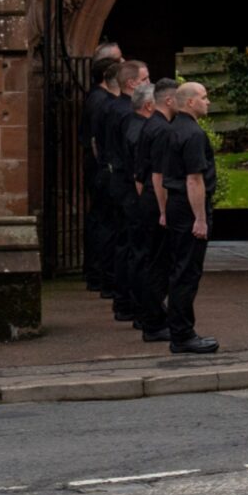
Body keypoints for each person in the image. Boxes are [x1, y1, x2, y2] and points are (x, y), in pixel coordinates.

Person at [162, 82, 220, 355]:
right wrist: (200, 219)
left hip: (175, 205)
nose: (208, 102)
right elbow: (194, 179)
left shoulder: (172, 129)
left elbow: (162, 175)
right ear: (190, 103)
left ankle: (179, 330)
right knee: (187, 272)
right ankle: (183, 335)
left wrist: (164, 211)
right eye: (204, 97)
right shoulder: (193, 134)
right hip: (188, 209)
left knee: (178, 269)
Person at [101, 60, 149, 322]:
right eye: (145, 78)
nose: (148, 83)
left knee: (123, 243)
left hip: (116, 181)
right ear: (133, 83)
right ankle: (129, 301)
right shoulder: (126, 113)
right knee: (132, 245)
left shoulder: (113, 108)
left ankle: (123, 301)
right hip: (127, 185)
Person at [132, 79, 179, 342]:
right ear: (169, 101)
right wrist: (163, 210)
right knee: (159, 264)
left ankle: (152, 317)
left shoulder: (150, 126)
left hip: (148, 200)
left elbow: (140, 175)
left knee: (152, 260)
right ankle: (154, 321)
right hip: (156, 201)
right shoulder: (161, 130)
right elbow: (158, 175)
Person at [80, 53, 125, 297]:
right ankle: (101, 275)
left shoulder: (99, 99)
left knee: (102, 221)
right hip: (104, 172)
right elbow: (96, 141)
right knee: (105, 223)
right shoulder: (102, 102)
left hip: (101, 170)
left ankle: (99, 274)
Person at [116, 77, 156, 333]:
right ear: (150, 106)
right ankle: (142, 309)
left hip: (128, 196)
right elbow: (140, 174)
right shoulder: (140, 130)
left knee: (134, 251)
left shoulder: (131, 123)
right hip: (136, 199)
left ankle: (132, 305)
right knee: (142, 255)